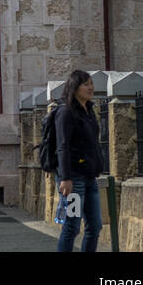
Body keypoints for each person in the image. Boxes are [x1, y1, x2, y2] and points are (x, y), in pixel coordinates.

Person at [54, 69, 103, 252]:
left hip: (90, 179)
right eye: (86, 84)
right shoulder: (66, 112)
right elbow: (62, 146)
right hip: (73, 181)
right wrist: (66, 178)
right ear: (74, 88)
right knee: (72, 227)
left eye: (91, 83)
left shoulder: (89, 111)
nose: (91, 88)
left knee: (95, 226)